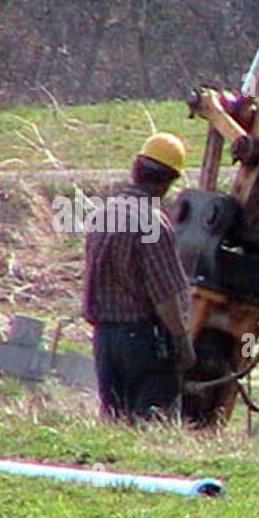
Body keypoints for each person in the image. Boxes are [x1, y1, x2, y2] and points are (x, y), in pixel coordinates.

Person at [82, 133, 196, 422]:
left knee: (115, 421)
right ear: (169, 182)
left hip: (104, 340)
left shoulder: (102, 215)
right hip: (143, 342)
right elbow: (165, 298)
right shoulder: (152, 224)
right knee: (151, 423)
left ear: (135, 167)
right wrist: (182, 342)